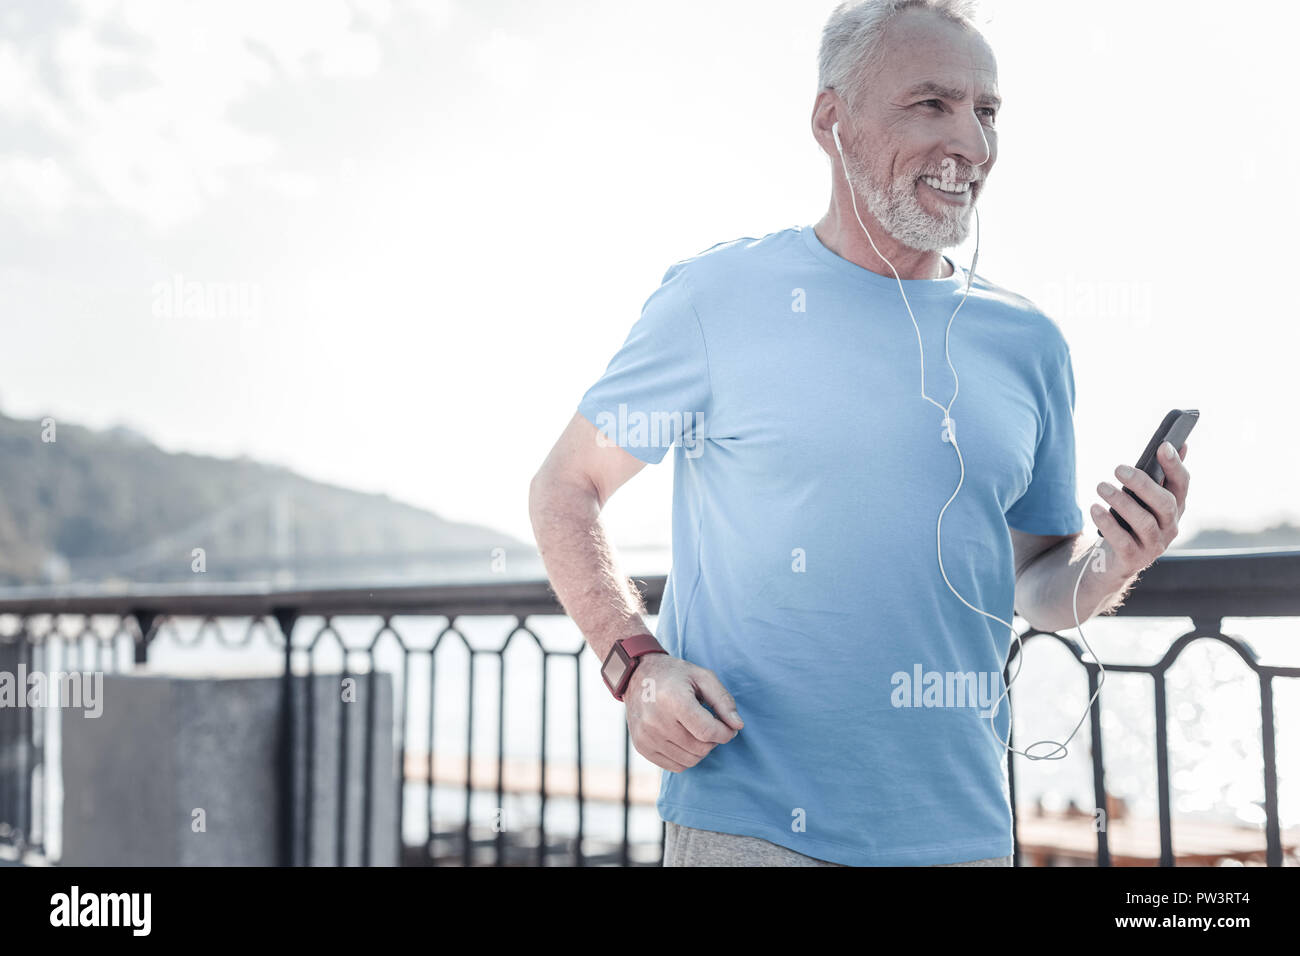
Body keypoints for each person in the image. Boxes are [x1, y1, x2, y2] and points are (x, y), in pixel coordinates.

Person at [528, 0, 1191, 867]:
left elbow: (1034, 584)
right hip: (749, 826)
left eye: (986, 113)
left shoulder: (1028, 344)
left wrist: (1117, 560)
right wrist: (636, 662)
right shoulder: (717, 299)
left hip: (962, 835)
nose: (973, 145)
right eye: (933, 104)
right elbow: (565, 487)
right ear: (831, 118)